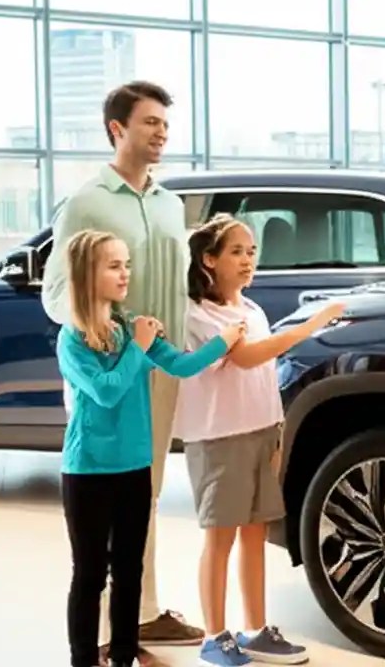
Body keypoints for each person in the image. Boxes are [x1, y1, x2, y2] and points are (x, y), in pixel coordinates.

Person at [42, 81, 204, 665]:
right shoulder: (86, 202)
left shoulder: (169, 203)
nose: (162, 132)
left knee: (148, 491)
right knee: (105, 503)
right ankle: (104, 631)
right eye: (150, 123)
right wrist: (95, 335)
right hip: (107, 366)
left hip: (158, 366)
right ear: (117, 129)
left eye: (165, 123)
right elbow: (57, 291)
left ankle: (143, 613)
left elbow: (179, 287)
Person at [56, 228, 245, 667]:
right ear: (88, 274)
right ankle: (83, 658)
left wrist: (224, 341)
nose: (126, 274)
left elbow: (180, 365)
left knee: (129, 571)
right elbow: (107, 391)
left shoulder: (131, 327)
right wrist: (139, 346)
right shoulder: (72, 338)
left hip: (135, 466)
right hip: (87, 471)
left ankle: (124, 655)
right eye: (114, 265)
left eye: (127, 264)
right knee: (89, 574)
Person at [174, 215, 346, 666]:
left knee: (254, 535)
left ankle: (255, 630)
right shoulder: (197, 313)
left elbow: (262, 377)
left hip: (262, 432)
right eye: (237, 251)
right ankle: (215, 636)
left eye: (251, 251)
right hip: (218, 439)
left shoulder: (252, 310)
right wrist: (312, 326)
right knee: (220, 540)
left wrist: (277, 432)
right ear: (209, 260)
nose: (248, 260)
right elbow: (247, 358)